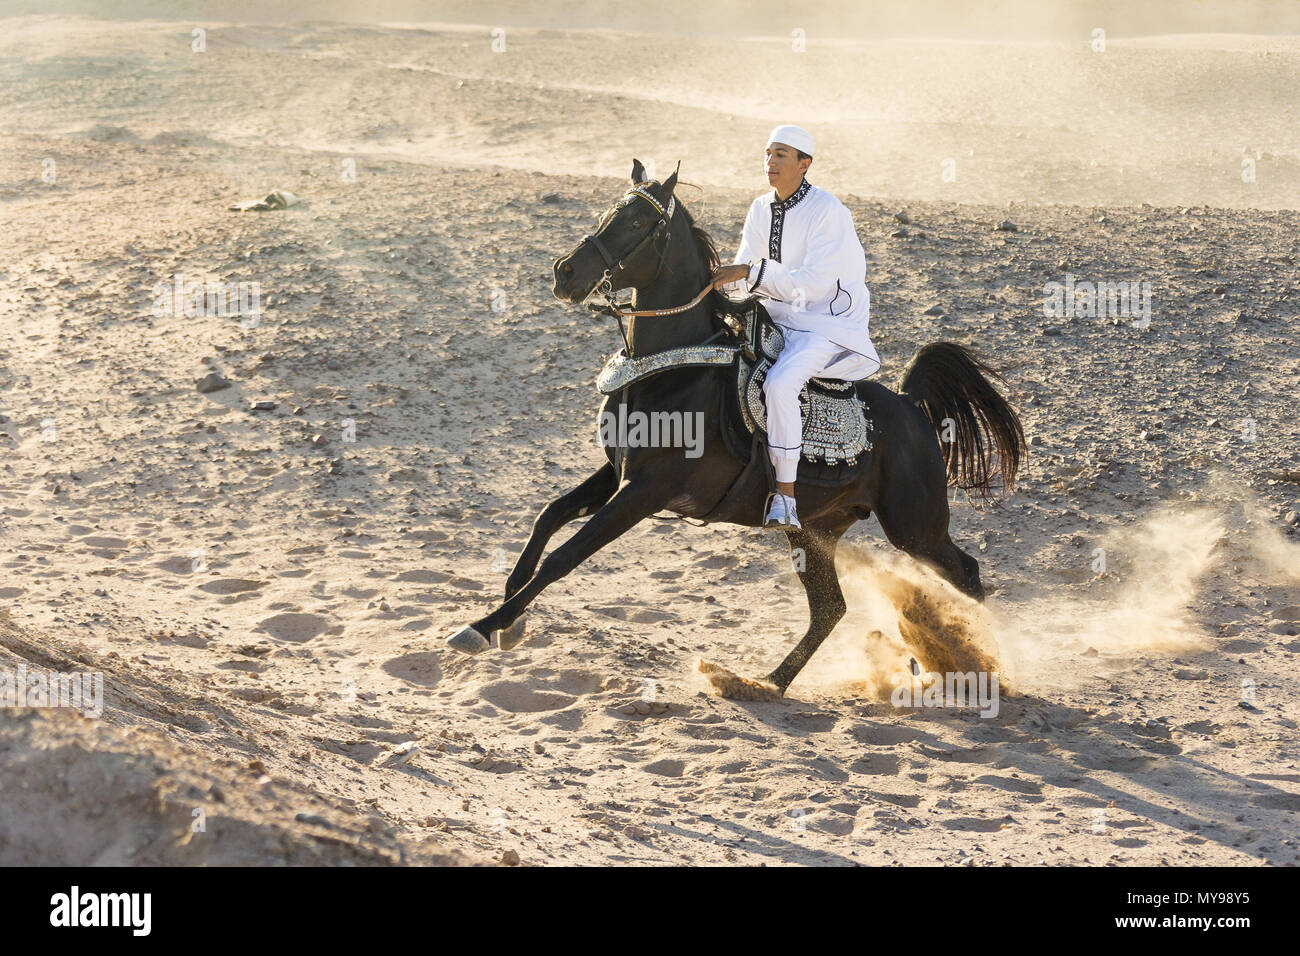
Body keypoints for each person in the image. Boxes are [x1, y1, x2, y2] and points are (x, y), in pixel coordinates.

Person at [711, 124, 881, 529]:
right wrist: (713, 280)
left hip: (823, 323)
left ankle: (785, 497)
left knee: (780, 383)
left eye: (781, 154)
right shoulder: (759, 208)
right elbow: (744, 269)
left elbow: (814, 283)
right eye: (768, 153)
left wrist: (749, 273)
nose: (770, 161)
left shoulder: (829, 211)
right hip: (773, 317)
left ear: (805, 164)